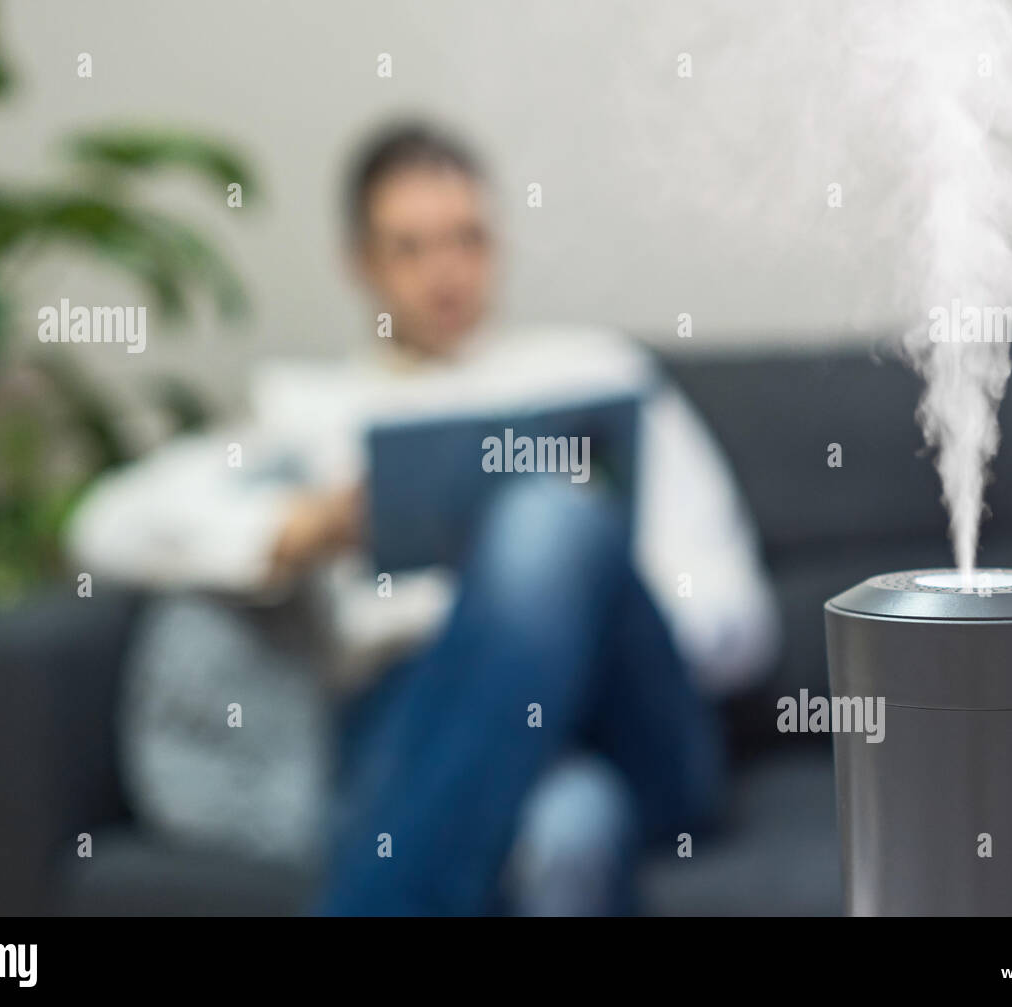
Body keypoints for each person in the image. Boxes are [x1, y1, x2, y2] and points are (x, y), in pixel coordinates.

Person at [67, 121, 781, 915]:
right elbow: (103, 522)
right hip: (417, 725)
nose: (446, 272)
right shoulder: (315, 413)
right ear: (361, 264)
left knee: (546, 519)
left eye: (467, 240)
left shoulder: (597, 372)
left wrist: (565, 622)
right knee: (566, 827)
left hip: (630, 716)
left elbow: (739, 620)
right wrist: (292, 530)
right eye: (410, 247)